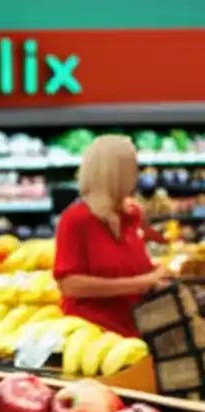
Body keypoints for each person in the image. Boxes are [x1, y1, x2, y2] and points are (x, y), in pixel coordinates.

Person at [53, 134, 167, 337]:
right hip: (94, 339)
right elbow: (70, 285)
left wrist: (159, 276)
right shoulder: (75, 219)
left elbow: (134, 269)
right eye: (131, 167)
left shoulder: (131, 215)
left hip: (137, 332)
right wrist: (143, 282)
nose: (136, 175)